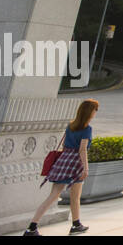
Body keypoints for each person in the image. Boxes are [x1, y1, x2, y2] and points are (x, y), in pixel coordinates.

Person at [25, 98, 98, 235]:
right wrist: (86, 168)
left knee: (53, 195)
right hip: (76, 163)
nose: (95, 112)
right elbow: (82, 150)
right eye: (95, 110)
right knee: (74, 196)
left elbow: (64, 146)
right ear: (90, 112)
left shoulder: (70, 125)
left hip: (63, 161)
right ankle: (73, 225)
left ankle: (33, 227)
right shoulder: (87, 129)